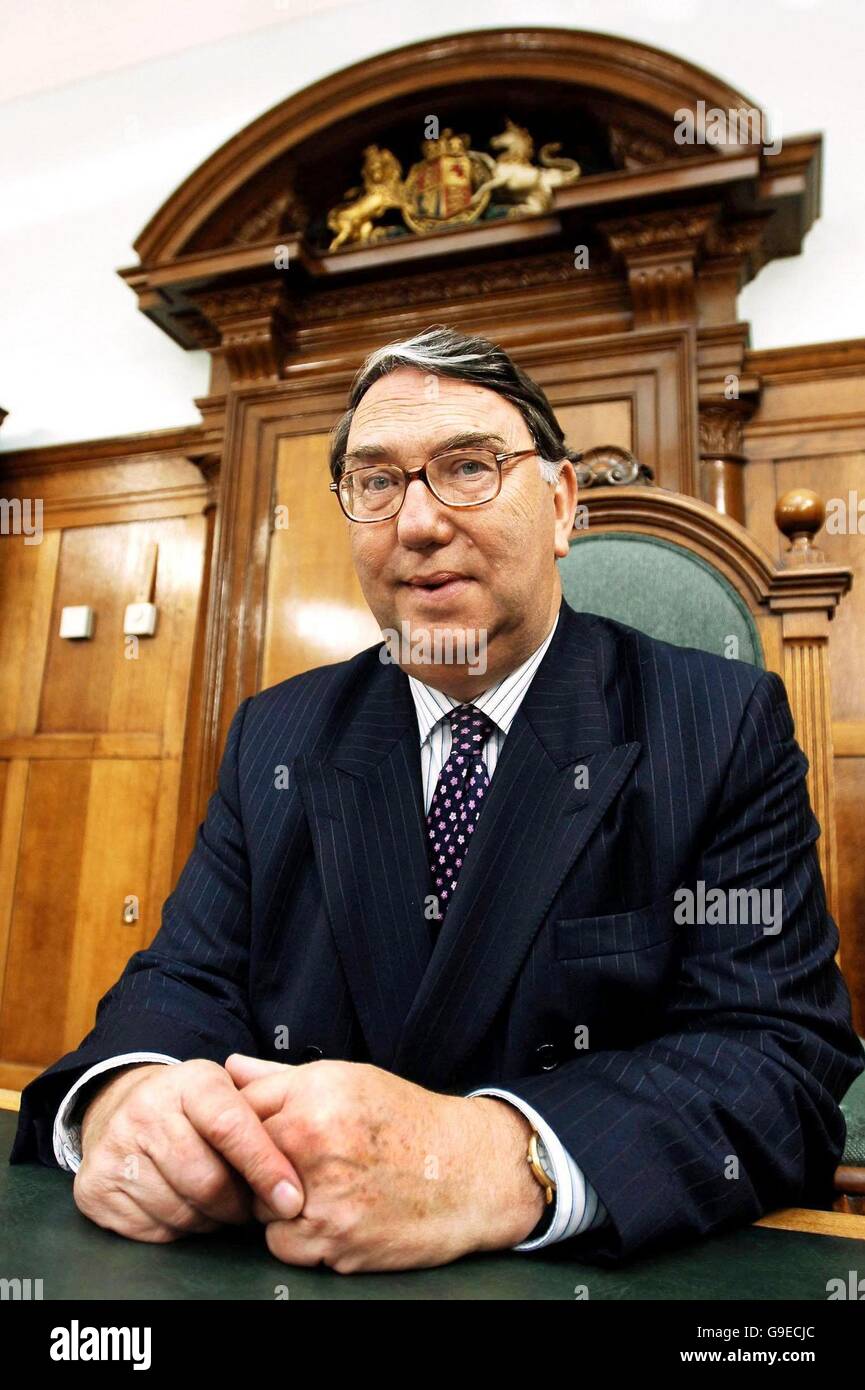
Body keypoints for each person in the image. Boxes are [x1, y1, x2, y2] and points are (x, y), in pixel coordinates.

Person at [11, 326, 864, 1273]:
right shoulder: (279, 734)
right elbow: (186, 980)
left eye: (467, 468)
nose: (416, 523)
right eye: (376, 482)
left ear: (561, 506)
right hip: (290, 1257)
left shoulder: (717, 721)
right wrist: (135, 1095)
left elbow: (776, 1056)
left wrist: (503, 1158)